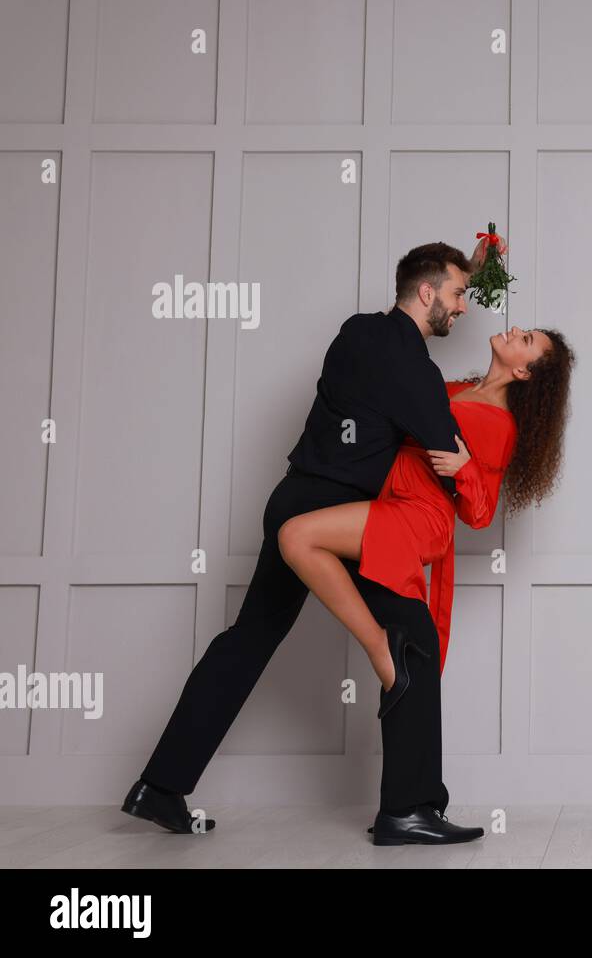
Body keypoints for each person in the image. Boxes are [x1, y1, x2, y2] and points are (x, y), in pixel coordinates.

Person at [122, 239, 498, 845]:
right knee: (413, 642)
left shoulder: (354, 331)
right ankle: (410, 810)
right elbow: (445, 449)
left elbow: (389, 394)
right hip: (337, 515)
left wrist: (470, 269)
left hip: (291, 497)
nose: (462, 309)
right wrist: (471, 460)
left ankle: (159, 786)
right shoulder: (415, 368)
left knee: (246, 640)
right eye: (456, 296)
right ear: (425, 293)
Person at [276, 326, 574, 716]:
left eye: (526, 341)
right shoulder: (451, 388)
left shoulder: (500, 424)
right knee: (295, 536)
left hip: (421, 515)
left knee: (297, 537)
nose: (516, 331)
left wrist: (465, 469)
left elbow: (480, 515)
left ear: (523, 372)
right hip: (391, 495)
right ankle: (387, 654)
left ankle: (382, 653)